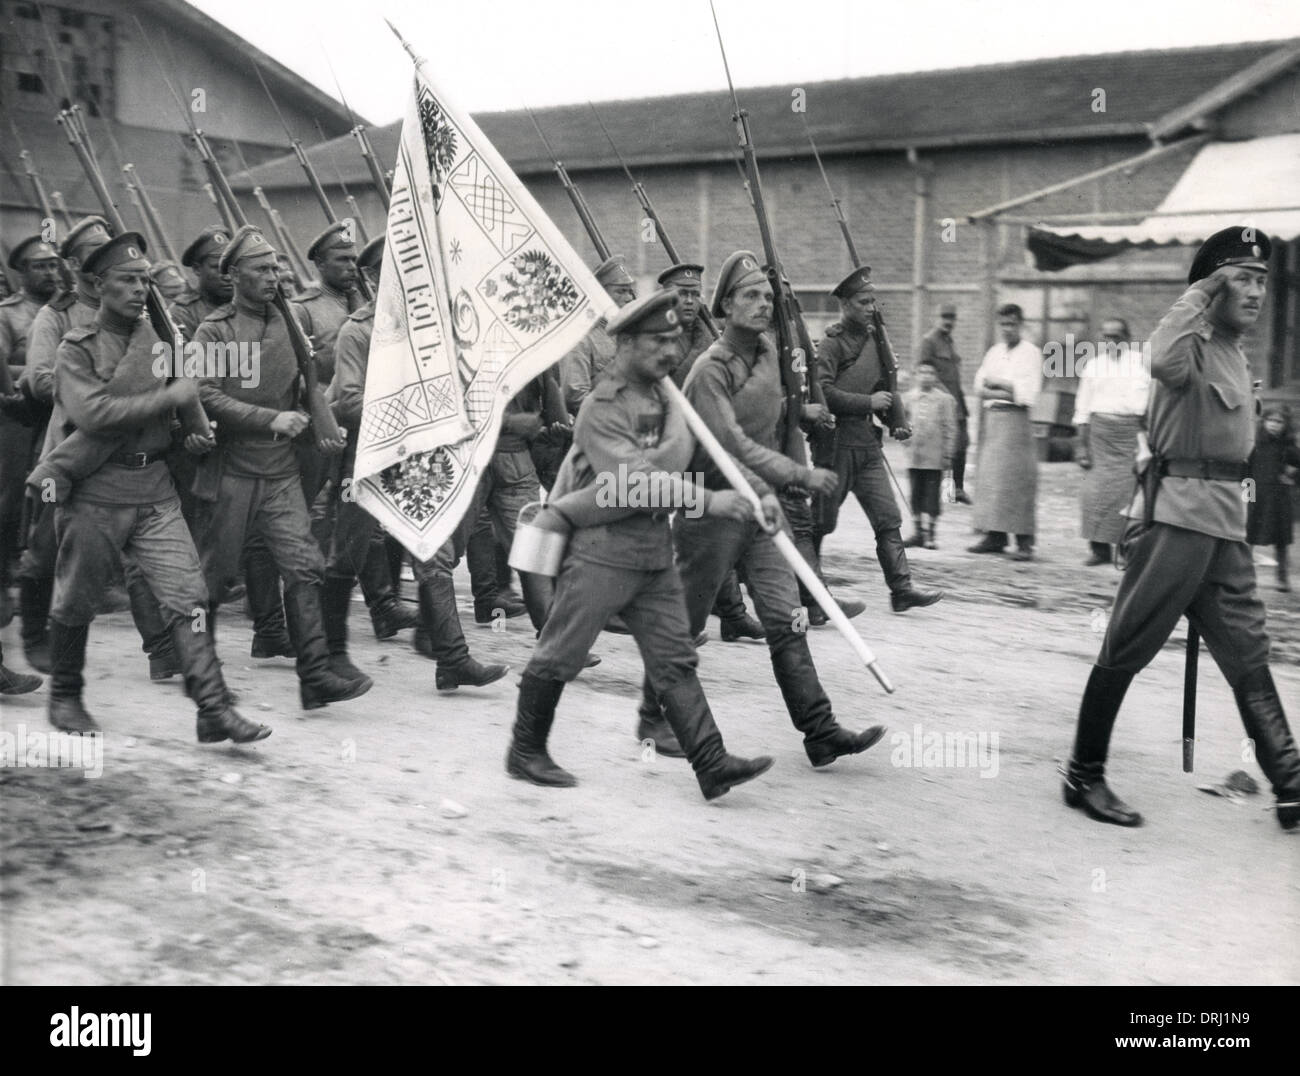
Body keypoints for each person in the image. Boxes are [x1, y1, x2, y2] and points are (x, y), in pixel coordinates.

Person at [1063, 227, 1300, 832]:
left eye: (1262, 282)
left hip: (1223, 522)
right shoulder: (1189, 338)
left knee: (1248, 649)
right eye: (1242, 279)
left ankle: (1291, 784)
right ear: (1213, 285)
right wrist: (1200, 292)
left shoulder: (1233, 348)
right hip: (1175, 519)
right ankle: (1083, 774)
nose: (1255, 292)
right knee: (1129, 642)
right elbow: (1161, 359)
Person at [507, 289, 773, 799]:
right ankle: (525, 751)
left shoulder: (662, 398)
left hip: (651, 548)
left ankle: (711, 762)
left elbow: (686, 461)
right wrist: (707, 502)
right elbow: (634, 483)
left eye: (675, 341)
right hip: (601, 550)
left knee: (674, 656)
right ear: (625, 344)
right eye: (657, 341)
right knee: (561, 652)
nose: (671, 352)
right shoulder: (601, 408)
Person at [640, 251, 886, 769]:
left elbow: (780, 425)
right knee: (684, 622)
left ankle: (819, 731)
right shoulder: (709, 371)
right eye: (749, 296)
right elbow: (725, 447)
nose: (761, 304)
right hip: (711, 509)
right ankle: (651, 715)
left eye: (767, 297)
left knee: (786, 616)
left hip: (758, 509)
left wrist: (791, 479)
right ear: (725, 305)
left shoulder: (772, 351)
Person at [34, 232, 268, 743]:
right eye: (127, 280)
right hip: (96, 490)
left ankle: (212, 705)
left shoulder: (164, 344)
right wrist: (171, 398)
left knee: (191, 598)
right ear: (97, 285)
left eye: (144, 280)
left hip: (155, 488)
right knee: (77, 599)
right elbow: (94, 414)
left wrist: (192, 433)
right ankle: (65, 695)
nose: (139, 290)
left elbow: (176, 418)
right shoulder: (79, 349)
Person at [192, 225, 372, 711]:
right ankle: (205, 684)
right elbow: (204, 393)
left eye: (275, 267)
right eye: (262, 269)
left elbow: (309, 380)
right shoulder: (216, 329)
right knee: (213, 579)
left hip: (280, 471)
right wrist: (271, 418)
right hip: (233, 469)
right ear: (233, 275)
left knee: (305, 565)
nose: (274, 276)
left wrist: (324, 423)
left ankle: (314, 674)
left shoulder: (288, 319)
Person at [326, 236, 506, 692]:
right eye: (393, 272)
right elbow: (346, 402)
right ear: (371, 279)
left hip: (422, 462)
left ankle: (452, 658)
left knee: (433, 554)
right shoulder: (358, 331)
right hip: (368, 463)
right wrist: (412, 407)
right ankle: (327, 655)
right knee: (345, 558)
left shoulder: (432, 329)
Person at [816, 265, 943, 611]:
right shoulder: (831, 345)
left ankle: (901, 590)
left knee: (888, 517)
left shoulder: (877, 341)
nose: (870, 307)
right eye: (862, 301)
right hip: (837, 445)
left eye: (873, 301)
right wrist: (867, 403)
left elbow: (883, 389)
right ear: (845, 304)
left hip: (868, 446)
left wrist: (895, 421)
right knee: (819, 522)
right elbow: (822, 392)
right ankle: (813, 594)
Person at [0, 236, 62, 615]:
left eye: (54, 264)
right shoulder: (8, 314)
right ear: (21, 272)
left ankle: (40, 577)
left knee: (51, 497)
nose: (51, 272)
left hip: (57, 415)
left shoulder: (63, 312)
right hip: (16, 415)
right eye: (41, 266)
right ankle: (4, 582)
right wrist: (39, 373)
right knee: (8, 501)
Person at [968, 304, 1042, 560]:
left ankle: (1024, 541)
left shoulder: (1031, 353)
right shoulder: (994, 352)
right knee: (992, 480)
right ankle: (995, 536)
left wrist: (998, 383)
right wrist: (1005, 388)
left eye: (1012, 324)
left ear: (1020, 324)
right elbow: (979, 386)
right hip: (994, 418)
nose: (1007, 329)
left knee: (1017, 481)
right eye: (1003, 324)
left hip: (1017, 421)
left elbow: (1028, 393)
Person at [1074, 318, 1150, 566]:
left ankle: (1128, 549)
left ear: (1127, 338)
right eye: (1106, 337)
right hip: (1100, 436)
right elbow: (1083, 409)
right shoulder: (1093, 367)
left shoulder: (1141, 364)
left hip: (1131, 435)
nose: (1111, 342)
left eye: (1116, 337)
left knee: (1129, 494)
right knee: (1094, 493)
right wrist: (1082, 446)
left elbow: (1150, 407)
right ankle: (1098, 549)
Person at [558, 255, 636, 415]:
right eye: (621, 291)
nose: (629, 298)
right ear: (600, 294)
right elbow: (575, 397)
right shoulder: (582, 337)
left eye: (630, 291)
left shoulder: (629, 332)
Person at [901, 358, 958, 549]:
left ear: (936, 377)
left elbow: (950, 427)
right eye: (922, 372)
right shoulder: (908, 398)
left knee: (932, 495)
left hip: (934, 457)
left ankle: (931, 534)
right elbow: (900, 423)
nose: (926, 376)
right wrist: (905, 441)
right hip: (915, 456)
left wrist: (948, 453)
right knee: (915, 494)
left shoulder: (944, 400)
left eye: (931, 373)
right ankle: (917, 532)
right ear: (915, 375)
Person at [918, 303, 971, 503]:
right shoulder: (928, 341)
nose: (948, 321)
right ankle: (930, 491)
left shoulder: (949, 341)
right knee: (939, 446)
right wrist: (944, 397)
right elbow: (924, 371)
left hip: (957, 401)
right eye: (945, 317)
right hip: (939, 402)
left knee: (962, 443)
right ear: (936, 318)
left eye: (951, 318)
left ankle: (958, 489)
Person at [1247, 406, 1299, 592]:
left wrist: (1291, 477)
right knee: (1249, 537)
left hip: (1279, 499)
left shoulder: (1288, 447)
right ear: (1264, 422)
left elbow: (1298, 464)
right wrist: (1247, 497)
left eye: (1279, 422)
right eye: (1271, 421)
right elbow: (1246, 470)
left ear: (1285, 425)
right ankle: (1243, 576)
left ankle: (1282, 578)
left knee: (1281, 540)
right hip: (1256, 497)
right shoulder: (1255, 444)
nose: (1274, 425)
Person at [169, 225, 233, 341]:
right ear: (197, 269)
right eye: (217, 267)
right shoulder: (183, 313)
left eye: (230, 267)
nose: (227, 275)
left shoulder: (248, 303)